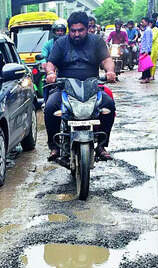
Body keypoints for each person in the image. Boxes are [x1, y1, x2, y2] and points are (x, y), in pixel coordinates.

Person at [44, 11, 118, 161]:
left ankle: (102, 145)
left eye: (80, 30)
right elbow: (51, 63)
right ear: (69, 30)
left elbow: (106, 60)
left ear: (87, 28)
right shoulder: (60, 43)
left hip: (92, 88)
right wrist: (51, 73)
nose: (76, 34)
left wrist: (110, 71)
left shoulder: (96, 42)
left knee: (109, 104)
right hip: (65, 88)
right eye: (73, 30)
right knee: (50, 107)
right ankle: (54, 147)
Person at [139, 13, 158, 82]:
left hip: (146, 50)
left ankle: (146, 78)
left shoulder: (148, 30)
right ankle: (147, 78)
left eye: (143, 22)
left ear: (147, 22)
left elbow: (148, 41)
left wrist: (147, 51)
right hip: (145, 49)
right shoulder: (147, 30)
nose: (142, 23)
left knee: (146, 65)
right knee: (146, 64)